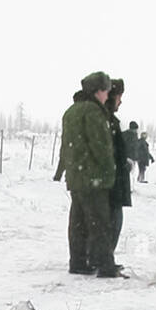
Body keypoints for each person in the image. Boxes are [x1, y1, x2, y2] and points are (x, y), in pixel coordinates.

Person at [56, 71, 120, 277]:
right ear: (98, 91)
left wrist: (63, 171)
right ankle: (105, 266)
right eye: (106, 91)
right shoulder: (94, 112)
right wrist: (109, 174)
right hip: (94, 178)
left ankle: (78, 262)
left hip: (76, 178)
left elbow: (66, 146)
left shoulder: (70, 112)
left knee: (78, 223)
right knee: (99, 223)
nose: (107, 95)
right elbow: (101, 147)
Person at [106, 79, 132, 256]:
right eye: (119, 97)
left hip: (114, 180)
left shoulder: (110, 120)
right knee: (113, 222)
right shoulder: (106, 121)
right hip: (112, 183)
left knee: (114, 222)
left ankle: (106, 258)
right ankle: (105, 258)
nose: (120, 102)